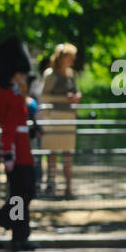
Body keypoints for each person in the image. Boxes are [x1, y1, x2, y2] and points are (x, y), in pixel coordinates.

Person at [0, 37, 36, 252]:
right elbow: (10, 128)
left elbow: (19, 125)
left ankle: (19, 237)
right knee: (25, 193)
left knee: (20, 195)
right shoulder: (10, 95)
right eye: (21, 75)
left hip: (23, 149)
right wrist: (9, 154)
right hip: (17, 153)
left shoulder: (15, 95)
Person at [40, 43, 81, 199]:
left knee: (68, 154)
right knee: (52, 153)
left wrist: (76, 98)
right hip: (54, 117)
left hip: (69, 117)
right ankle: (51, 184)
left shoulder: (72, 74)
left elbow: (76, 90)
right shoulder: (50, 74)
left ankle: (68, 187)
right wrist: (64, 99)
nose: (73, 59)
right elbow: (44, 96)